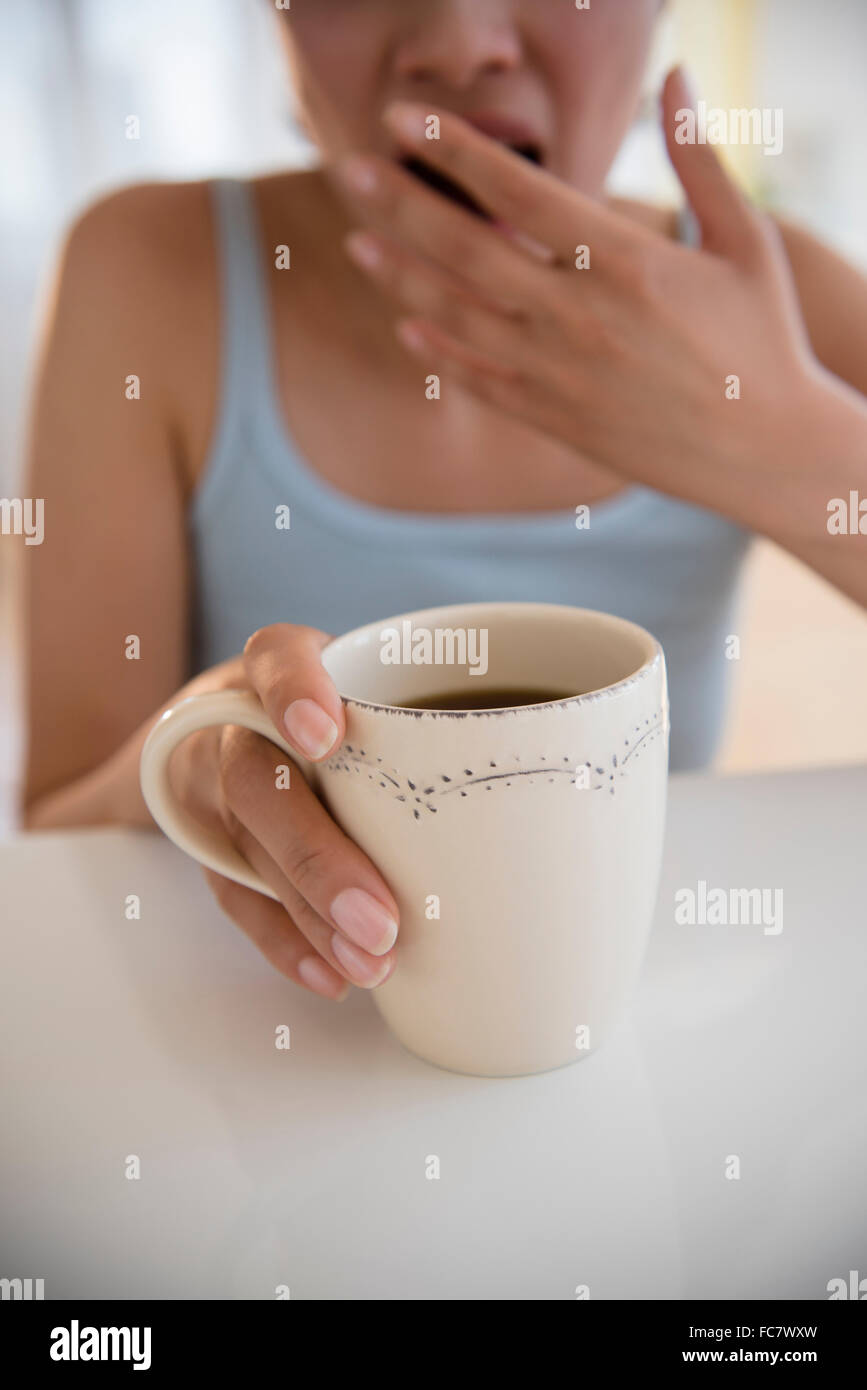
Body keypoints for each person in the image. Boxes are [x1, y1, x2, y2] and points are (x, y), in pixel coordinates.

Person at [19, 1, 867, 1004]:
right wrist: (196, 753)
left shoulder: (767, 296)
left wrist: (783, 443)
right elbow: (53, 838)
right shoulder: (144, 270)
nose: (462, 45)